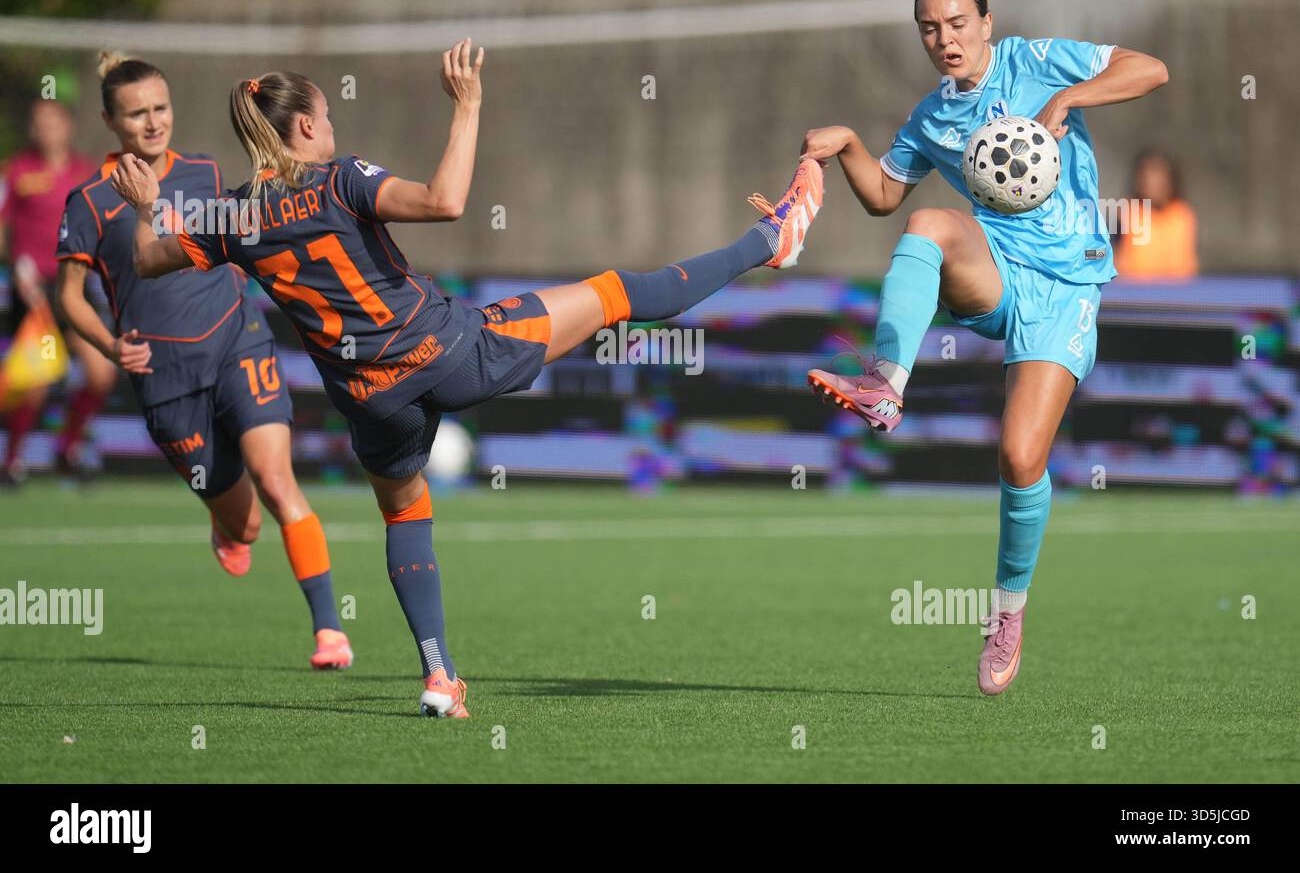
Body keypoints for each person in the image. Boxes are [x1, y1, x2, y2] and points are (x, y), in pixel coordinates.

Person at [111, 39, 824, 718]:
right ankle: (770, 240)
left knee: (403, 514)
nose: (332, 127)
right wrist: (468, 103)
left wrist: (147, 206)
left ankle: (439, 676)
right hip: (452, 353)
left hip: (368, 399)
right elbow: (446, 200)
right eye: (327, 117)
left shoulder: (234, 215)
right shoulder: (341, 177)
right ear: (304, 125)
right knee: (615, 293)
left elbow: (146, 260)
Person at [801, 0, 1168, 695]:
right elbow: (882, 194)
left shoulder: (1037, 62)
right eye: (931, 29)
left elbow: (1150, 69)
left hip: (1067, 289)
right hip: (997, 269)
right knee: (928, 223)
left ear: (987, 23)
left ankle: (1007, 613)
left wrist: (1068, 98)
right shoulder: (932, 117)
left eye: (959, 22)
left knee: (1019, 456)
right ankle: (886, 384)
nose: (947, 39)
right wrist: (847, 144)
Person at [57, 52, 352, 670]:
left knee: (277, 481)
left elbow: (241, 240)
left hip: (235, 339)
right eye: (136, 113)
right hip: (164, 380)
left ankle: (330, 632)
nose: (152, 122)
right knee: (245, 525)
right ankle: (227, 529)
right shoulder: (87, 202)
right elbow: (68, 299)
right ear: (111, 120)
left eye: (160, 108)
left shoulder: (205, 172)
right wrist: (112, 346)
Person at [0, 99, 112, 484]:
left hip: (76, 285)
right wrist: (16, 266)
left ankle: (67, 446)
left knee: (100, 372)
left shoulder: (86, 172)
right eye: (37, 122)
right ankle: (13, 460)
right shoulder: (16, 171)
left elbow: (105, 226)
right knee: (37, 381)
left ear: (68, 127)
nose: (44, 129)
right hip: (35, 293)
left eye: (52, 121)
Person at [1112, 149, 1198, 280]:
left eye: (1158, 177)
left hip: (1178, 293)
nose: (1152, 183)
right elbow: (1105, 255)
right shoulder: (1125, 212)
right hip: (1132, 294)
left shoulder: (1183, 214)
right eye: (1147, 177)